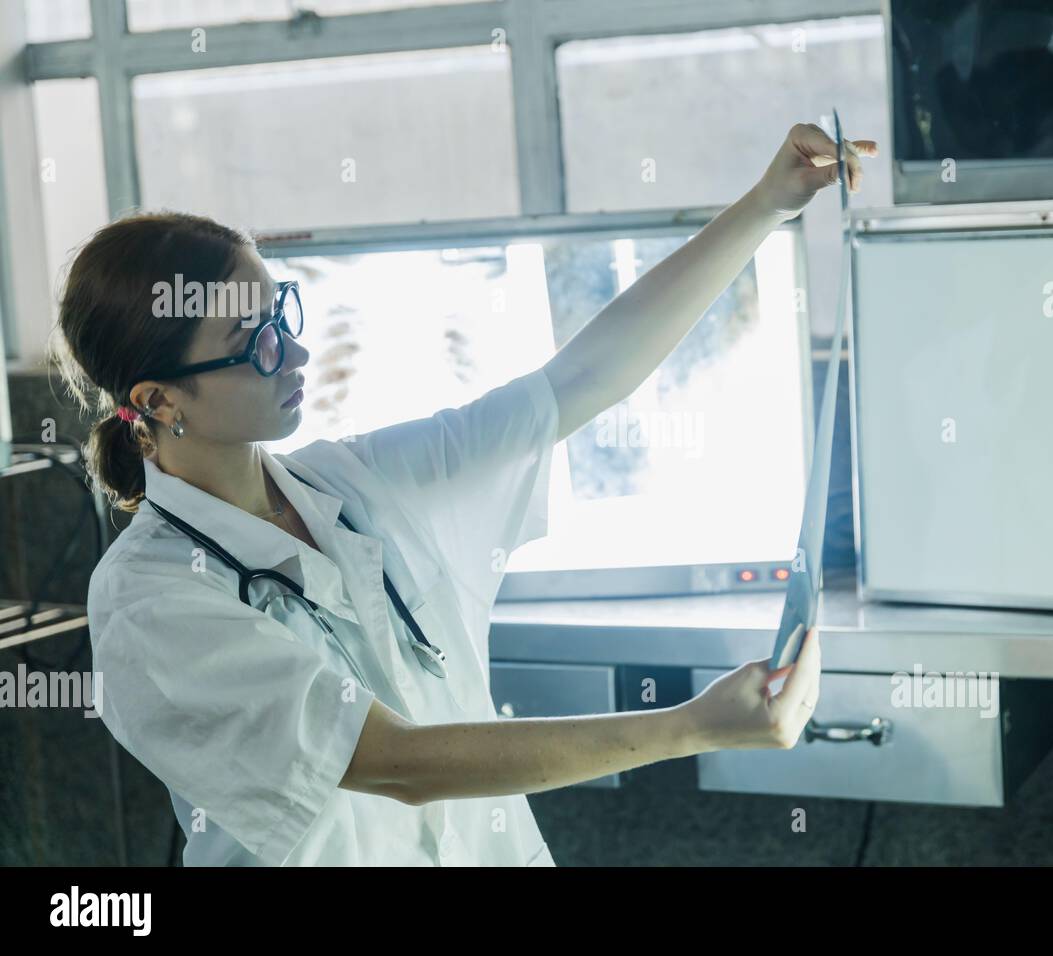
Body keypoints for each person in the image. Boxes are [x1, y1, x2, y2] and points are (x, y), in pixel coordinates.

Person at [53, 122, 874, 866]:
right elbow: (400, 764)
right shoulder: (147, 603)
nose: (296, 354)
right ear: (159, 402)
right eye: (256, 344)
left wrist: (767, 205)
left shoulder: (354, 482)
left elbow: (581, 382)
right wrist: (688, 727)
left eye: (286, 315)